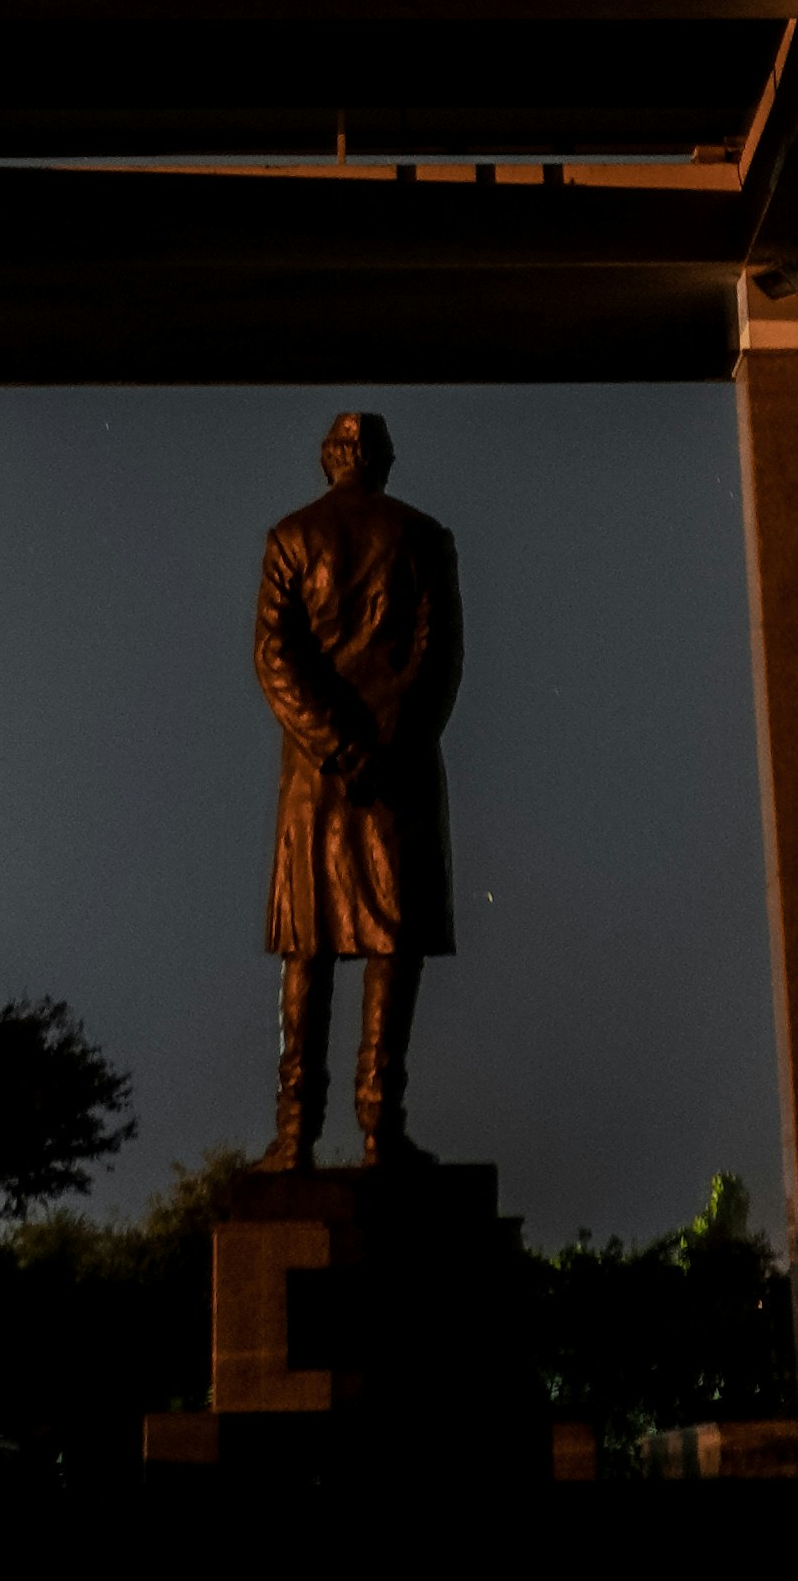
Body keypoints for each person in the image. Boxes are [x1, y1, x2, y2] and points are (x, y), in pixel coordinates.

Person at [253, 407, 463, 1166]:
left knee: (306, 952)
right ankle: (381, 1125)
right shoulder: (423, 537)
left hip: (315, 781)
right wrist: (384, 747)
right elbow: (438, 663)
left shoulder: (289, 538)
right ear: (381, 460)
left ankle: (293, 1131)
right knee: (388, 949)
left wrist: (336, 747)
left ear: (327, 458)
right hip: (394, 776)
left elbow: (274, 659)